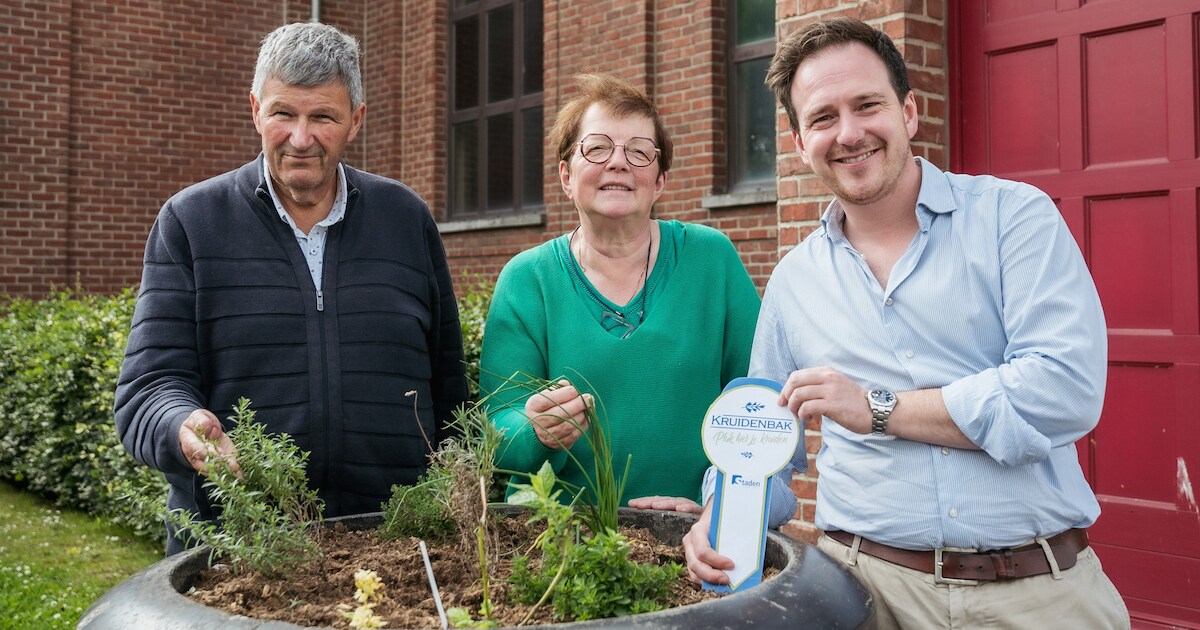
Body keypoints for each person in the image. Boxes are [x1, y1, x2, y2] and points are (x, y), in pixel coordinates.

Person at [683, 17, 1129, 629]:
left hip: (1038, 596)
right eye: (822, 118)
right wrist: (726, 508)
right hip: (865, 595)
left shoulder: (1012, 219)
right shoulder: (793, 281)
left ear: (909, 112)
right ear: (797, 142)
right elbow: (766, 447)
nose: (848, 133)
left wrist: (880, 408)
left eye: (867, 105)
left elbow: (1063, 391)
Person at [114, 22, 468, 554]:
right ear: (256, 109)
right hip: (237, 543)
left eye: (322, 116)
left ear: (356, 120)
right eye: (283, 113)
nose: (300, 139)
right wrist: (178, 423)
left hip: (395, 542)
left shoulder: (407, 220)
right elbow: (148, 387)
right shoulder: (190, 222)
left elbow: (450, 389)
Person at [480, 73, 761, 512]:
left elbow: (760, 403)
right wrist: (533, 429)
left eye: (638, 152)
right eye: (597, 148)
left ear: (660, 181)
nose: (618, 163)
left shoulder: (712, 260)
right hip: (575, 550)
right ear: (565, 175)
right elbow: (496, 436)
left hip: (701, 534)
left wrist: (719, 505)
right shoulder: (526, 281)